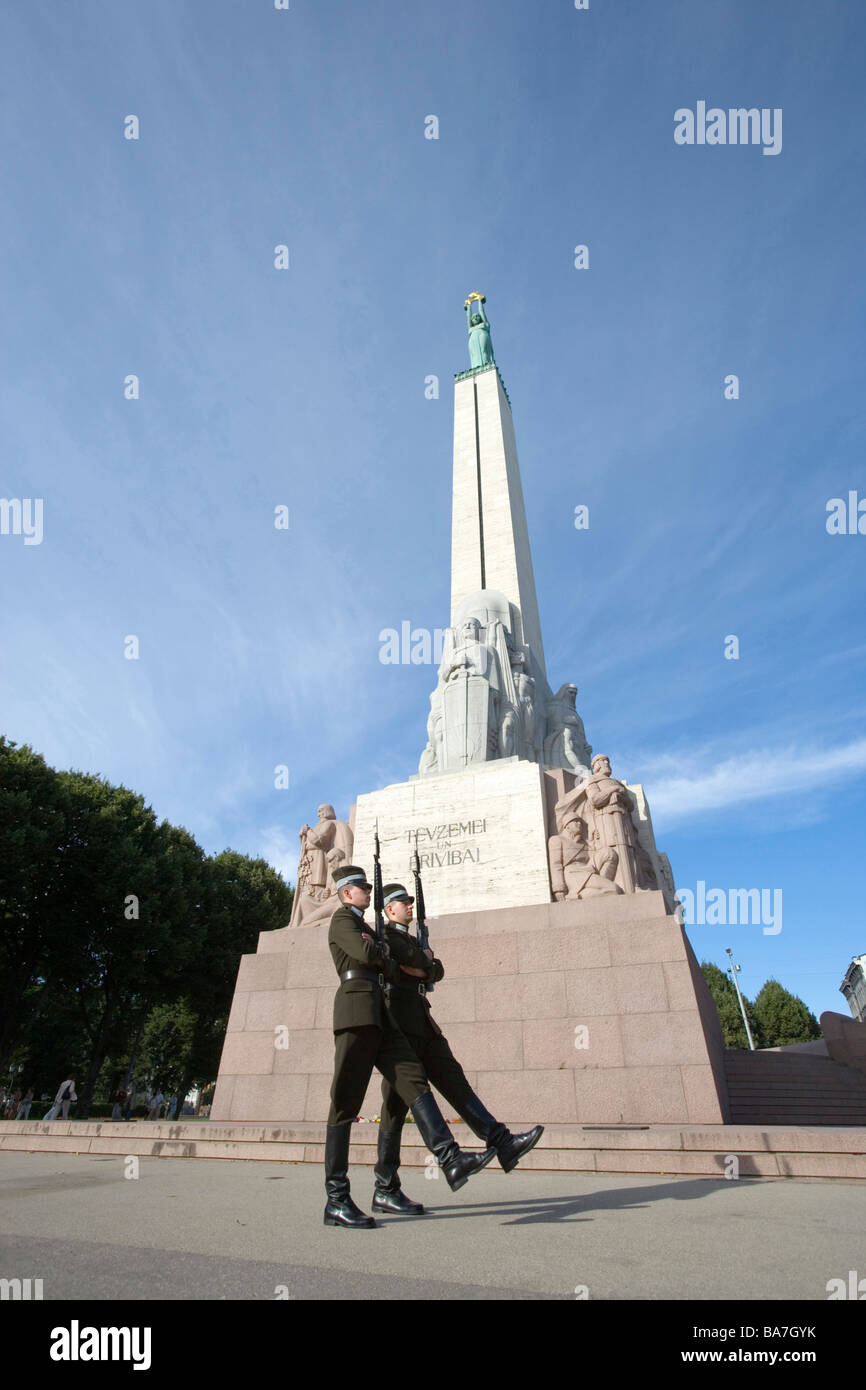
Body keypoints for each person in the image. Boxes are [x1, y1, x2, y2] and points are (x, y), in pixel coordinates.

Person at [325, 864, 495, 1229]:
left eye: (370, 888)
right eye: (362, 888)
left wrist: (395, 960)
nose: (368, 892)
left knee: (413, 1077)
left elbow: (390, 962)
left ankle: (450, 1158)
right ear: (346, 893)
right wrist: (392, 959)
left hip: (381, 1017)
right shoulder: (343, 921)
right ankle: (336, 1198)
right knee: (344, 1104)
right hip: (355, 1013)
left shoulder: (370, 929)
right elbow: (372, 958)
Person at [375, 884, 544, 1215]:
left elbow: (435, 970)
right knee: (394, 1110)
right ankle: (386, 1187)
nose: (409, 906)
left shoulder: (409, 939)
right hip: (399, 1027)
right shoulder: (386, 937)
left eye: (411, 901)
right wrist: (420, 963)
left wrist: (422, 964)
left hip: (423, 1023)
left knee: (454, 1082)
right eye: (403, 902)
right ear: (388, 909)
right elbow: (412, 962)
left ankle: (502, 1141)